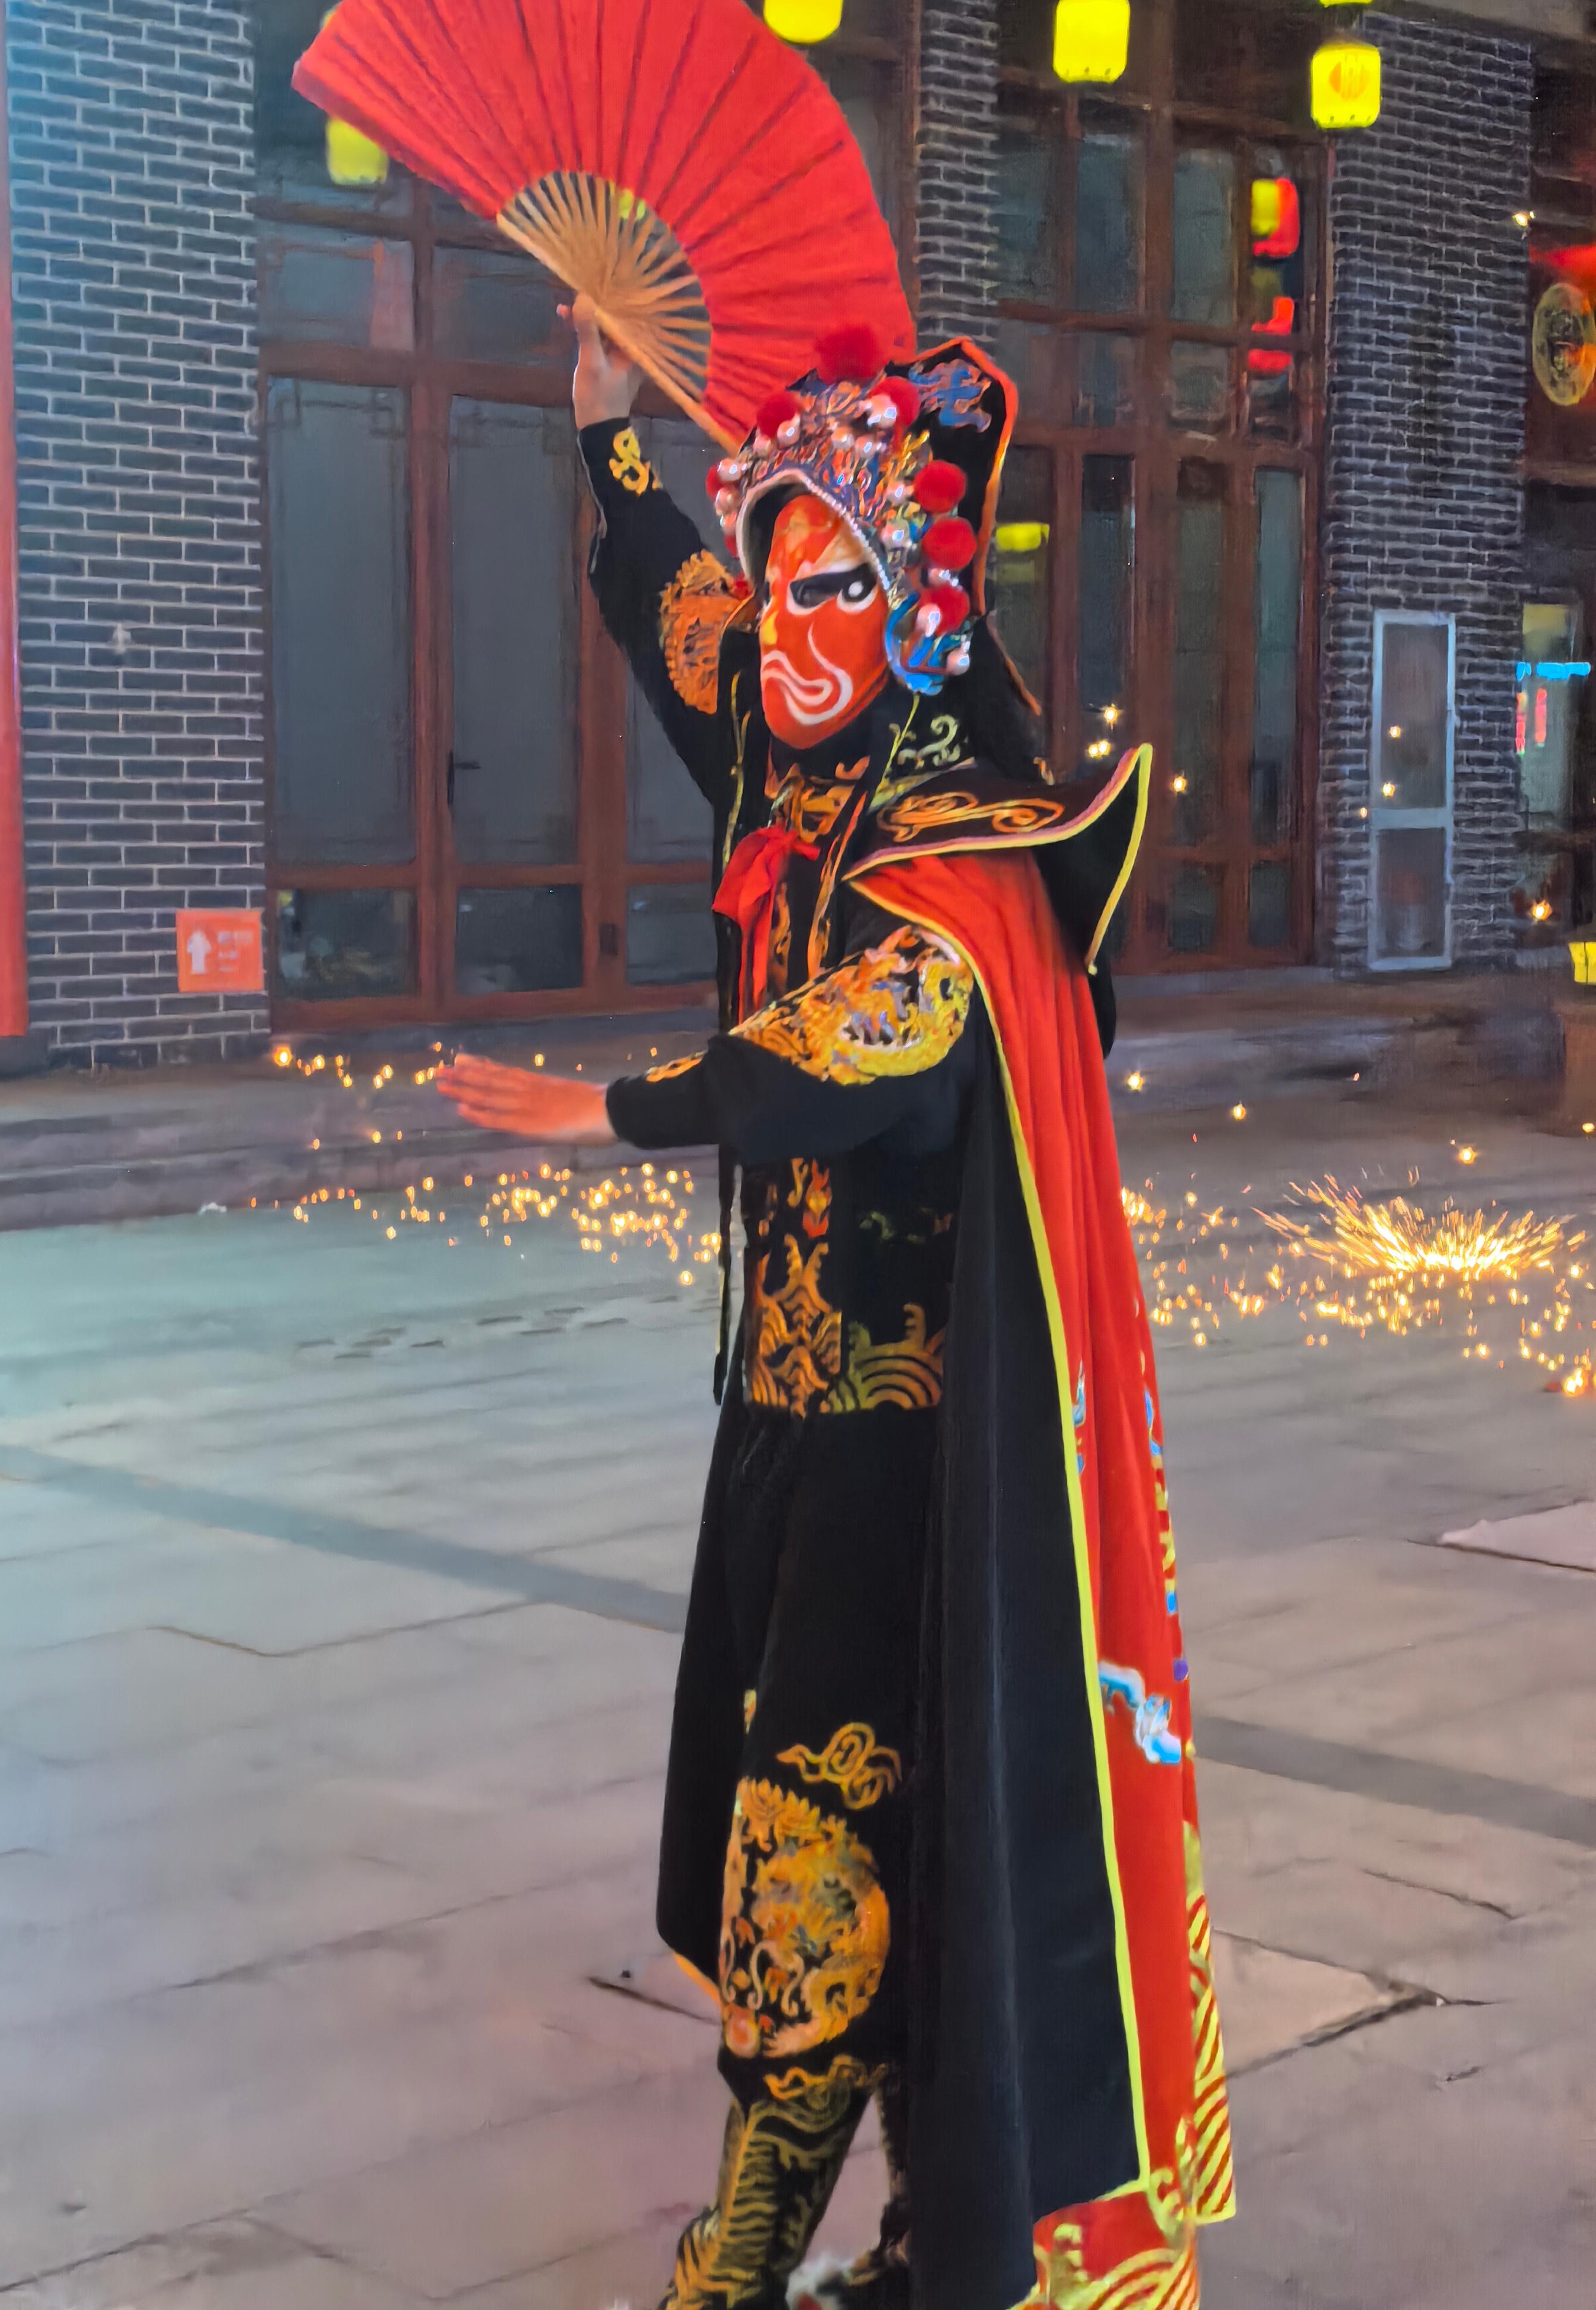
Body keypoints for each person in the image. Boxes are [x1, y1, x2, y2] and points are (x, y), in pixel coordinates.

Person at [436, 300, 1232, 2310]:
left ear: (920, 619)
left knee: (820, 1847)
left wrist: (627, 1106)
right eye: (780, 581)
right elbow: (677, 618)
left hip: (917, 1459)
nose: (786, 630)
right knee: (841, 1837)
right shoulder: (783, 771)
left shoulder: (965, 849)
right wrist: (611, 437)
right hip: (783, 1428)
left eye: (836, 590)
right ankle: (928, 2234)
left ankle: (746, 2261)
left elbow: (886, 1037)